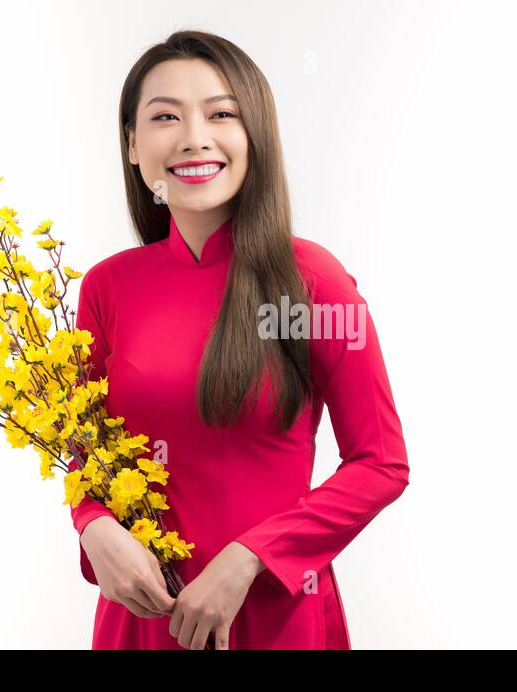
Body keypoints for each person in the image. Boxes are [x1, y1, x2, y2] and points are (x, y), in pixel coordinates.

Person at [68, 29, 409, 650]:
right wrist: (93, 525)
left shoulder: (310, 282)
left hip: (273, 611)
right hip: (143, 620)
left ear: (255, 135)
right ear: (132, 145)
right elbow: (86, 446)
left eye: (221, 113)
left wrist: (251, 557)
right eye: (165, 116)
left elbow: (381, 463)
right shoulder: (106, 289)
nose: (194, 136)